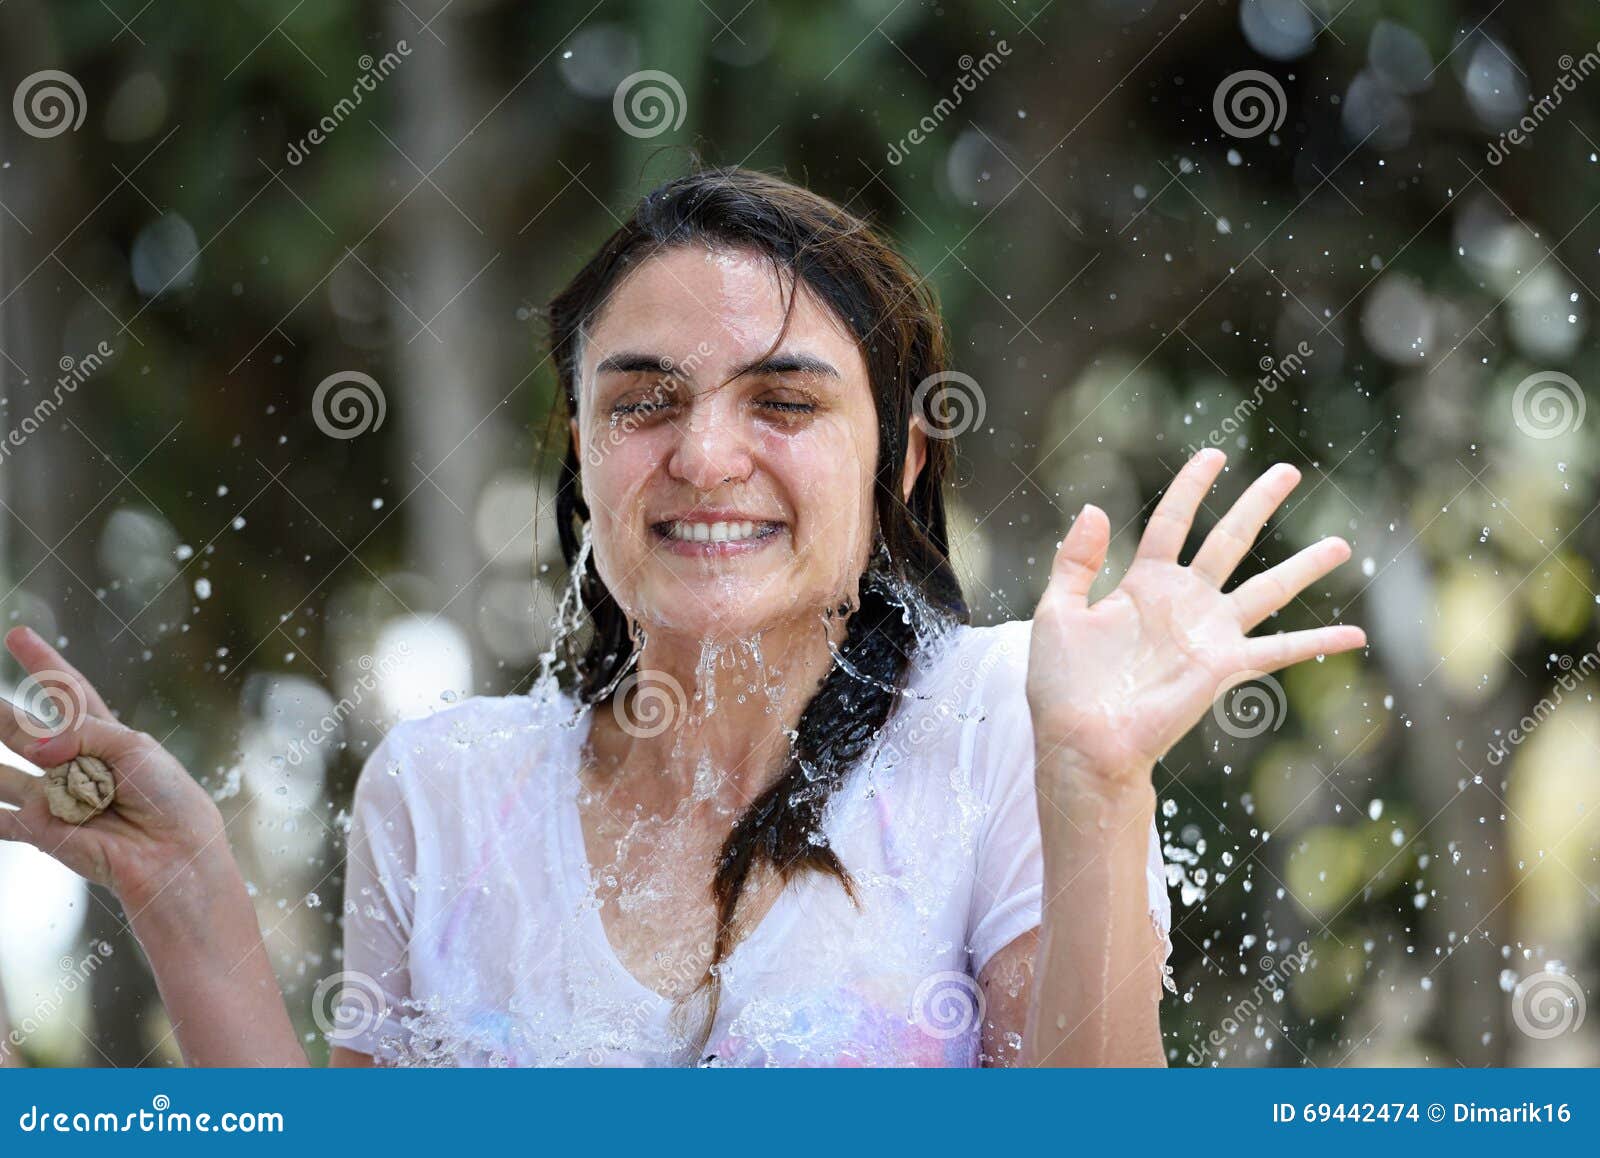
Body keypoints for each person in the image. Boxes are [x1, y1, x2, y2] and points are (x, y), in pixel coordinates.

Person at [0, 167, 1364, 1067]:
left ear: (899, 460)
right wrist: (187, 897)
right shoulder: (443, 791)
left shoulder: (1010, 721)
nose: (706, 455)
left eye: (785, 400)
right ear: (583, 454)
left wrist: (1097, 784)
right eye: (644, 400)